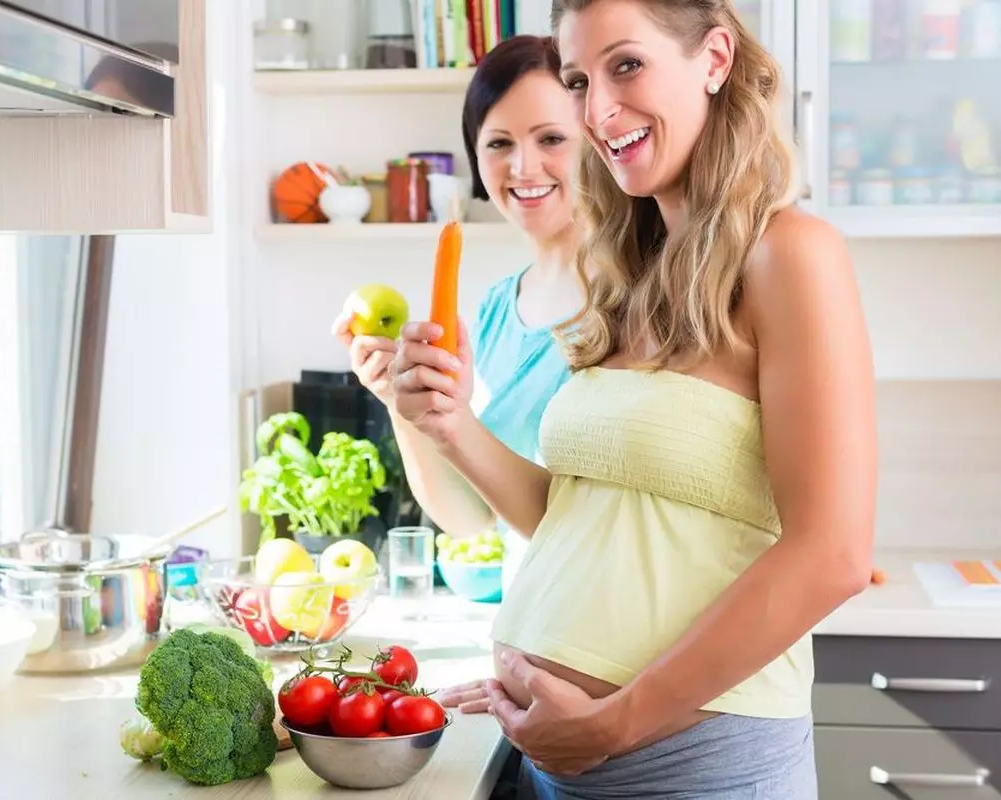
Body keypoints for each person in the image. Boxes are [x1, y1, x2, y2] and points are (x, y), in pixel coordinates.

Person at [388, 0, 877, 797]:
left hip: (697, 768)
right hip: (565, 765)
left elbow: (833, 555)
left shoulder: (792, 255)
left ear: (714, 59)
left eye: (626, 65)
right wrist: (448, 423)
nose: (599, 110)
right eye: (580, 80)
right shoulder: (632, 276)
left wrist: (614, 723)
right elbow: (573, 514)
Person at [330, 35, 585, 714]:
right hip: (525, 666)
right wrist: (399, 401)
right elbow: (470, 516)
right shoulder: (498, 308)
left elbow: (585, 526)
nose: (522, 166)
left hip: (602, 685)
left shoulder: (635, 301)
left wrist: (458, 420)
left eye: (551, 137)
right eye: (498, 143)